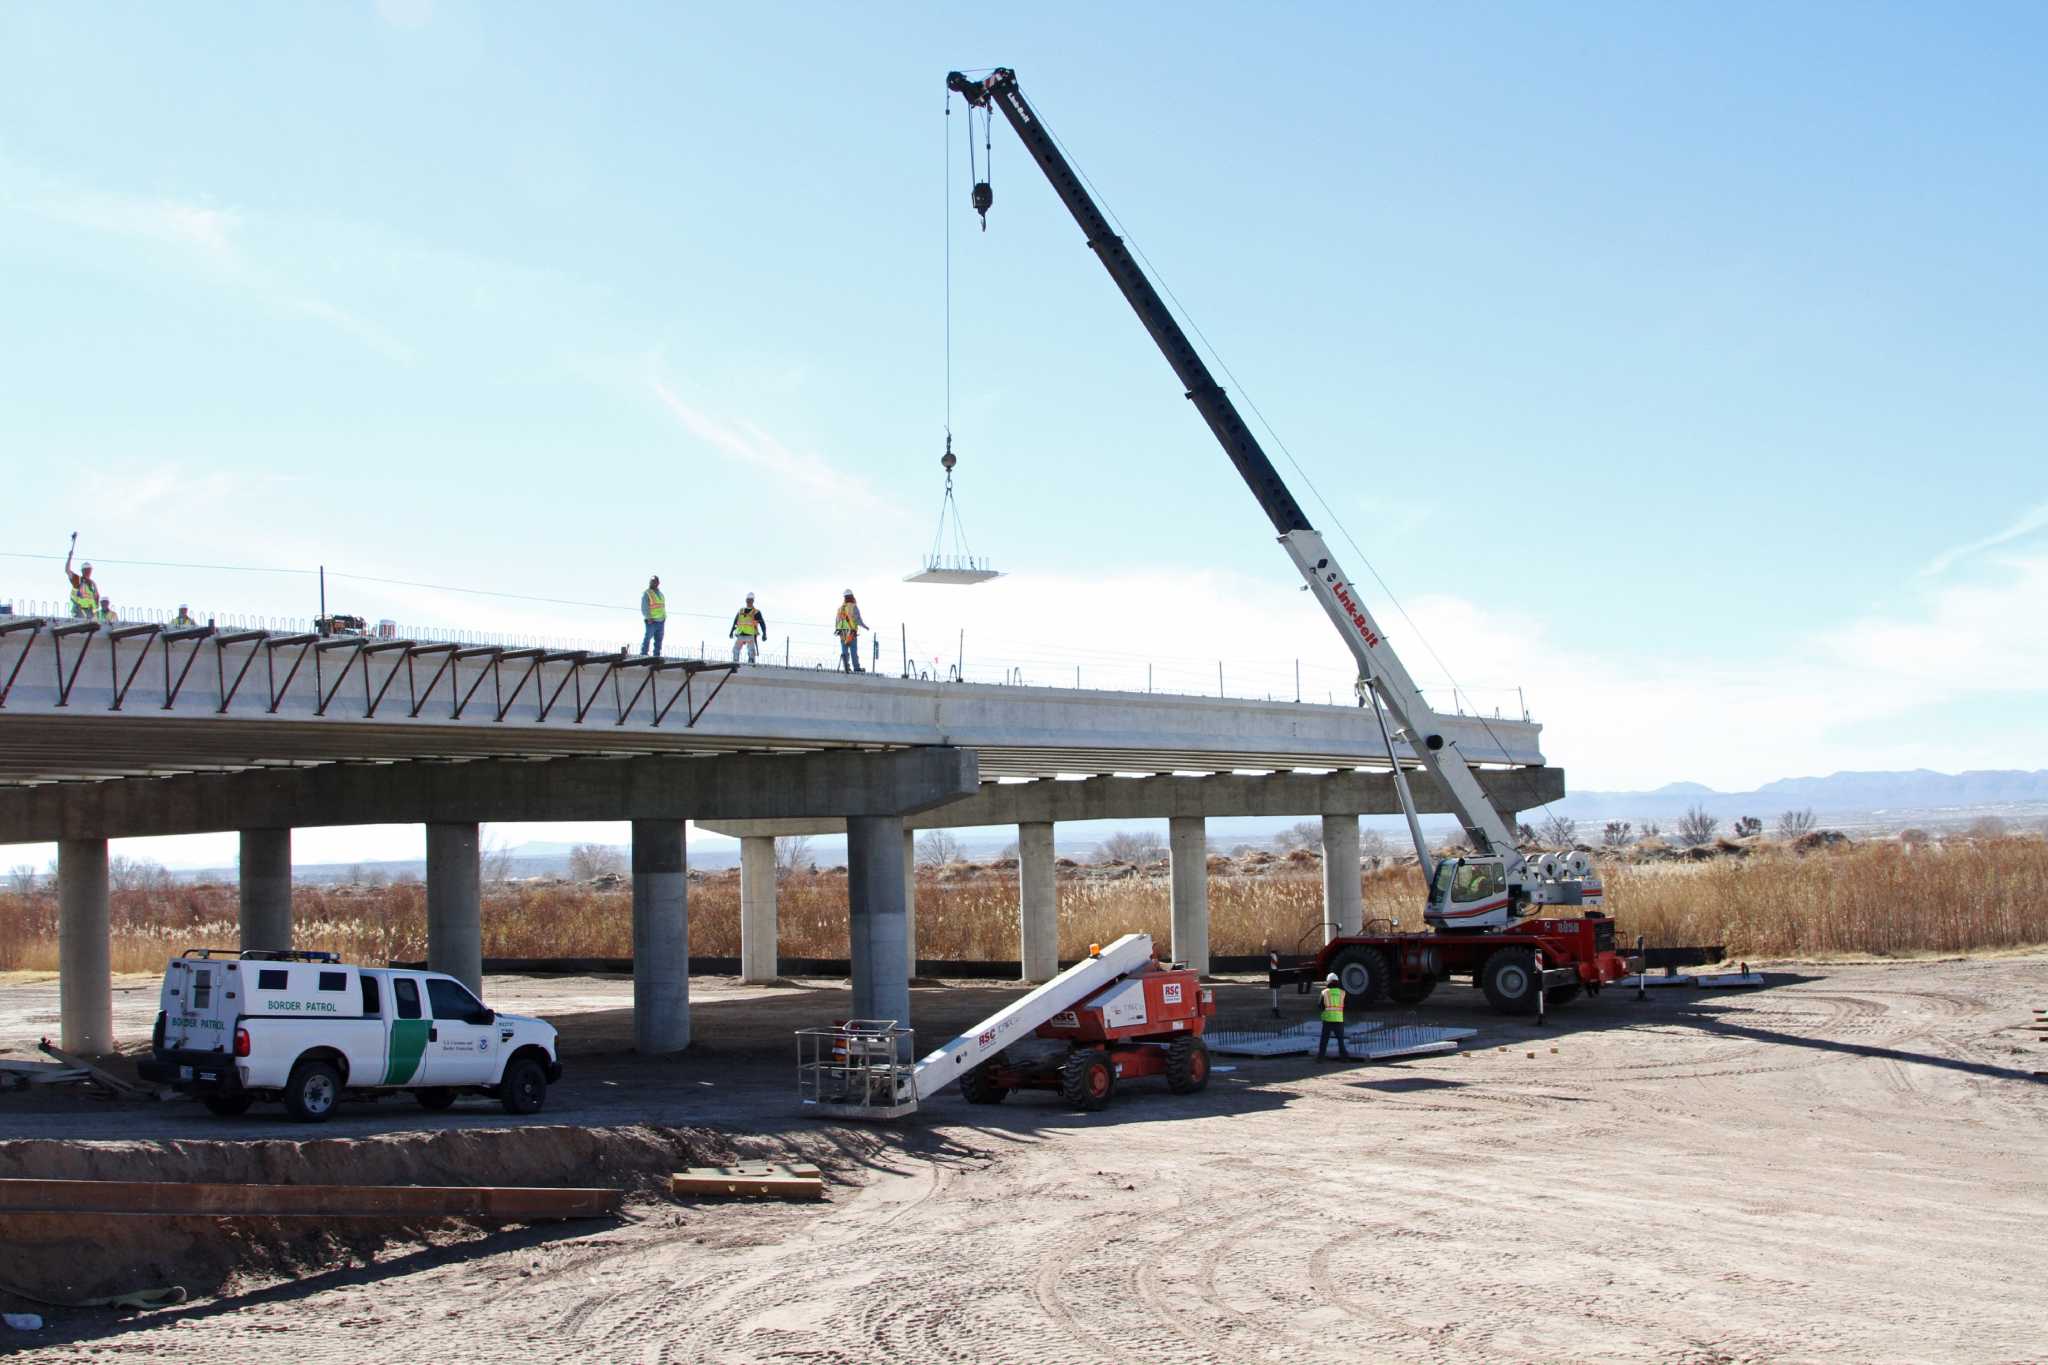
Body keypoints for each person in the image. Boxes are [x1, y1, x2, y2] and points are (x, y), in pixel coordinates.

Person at [1316, 972, 1352, 1062]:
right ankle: (1344, 1058)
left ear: (1328, 981)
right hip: (1339, 1019)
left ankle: (1320, 1058)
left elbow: (1320, 1005)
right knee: (1340, 1040)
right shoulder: (1342, 993)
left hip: (1327, 1019)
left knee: (1324, 1039)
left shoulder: (1324, 992)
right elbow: (1347, 1005)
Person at [834, 589, 870, 673]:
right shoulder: (853, 607)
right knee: (853, 650)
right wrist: (865, 626)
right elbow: (857, 619)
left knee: (844, 651)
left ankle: (846, 667)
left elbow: (837, 621)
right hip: (851, 633)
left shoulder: (840, 608)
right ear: (852, 597)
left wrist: (837, 630)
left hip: (842, 633)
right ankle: (856, 667)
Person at [728, 593, 766, 664]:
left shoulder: (756, 612)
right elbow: (735, 622)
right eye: (748, 600)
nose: (749, 601)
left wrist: (764, 634)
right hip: (740, 634)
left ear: (753, 601)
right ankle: (735, 663)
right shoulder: (741, 611)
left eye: (751, 600)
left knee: (751, 650)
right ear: (746, 600)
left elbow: (762, 623)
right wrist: (731, 632)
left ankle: (751, 663)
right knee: (735, 650)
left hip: (750, 635)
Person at [63, 548, 99, 620]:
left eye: (89, 570)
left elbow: (97, 598)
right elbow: (67, 570)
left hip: (90, 613)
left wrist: (96, 612)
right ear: (83, 571)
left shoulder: (93, 584)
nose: (88, 572)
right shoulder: (78, 580)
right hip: (79, 611)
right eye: (87, 570)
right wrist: (70, 557)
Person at [639, 575, 666, 656]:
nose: (652, 583)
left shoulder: (660, 594)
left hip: (661, 621)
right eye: (651, 581)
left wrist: (664, 618)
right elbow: (644, 607)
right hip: (652, 621)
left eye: (654, 581)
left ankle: (656, 655)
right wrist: (648, 617)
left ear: (658, 583)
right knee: (647, 638)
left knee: (659, 640)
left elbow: (662, 607)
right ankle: (643, 654)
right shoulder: (647, 593)